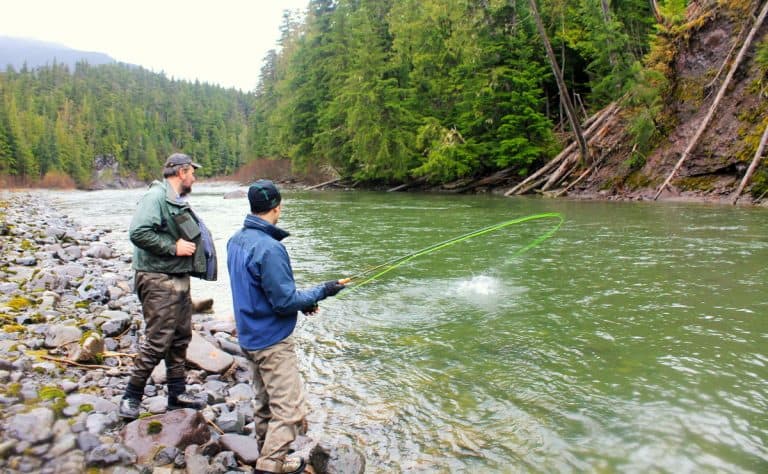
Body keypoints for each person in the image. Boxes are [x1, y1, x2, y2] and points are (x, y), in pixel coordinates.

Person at [227, 179, 346, 474]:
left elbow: (263, 292)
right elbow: (282, 302)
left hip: (249, 336)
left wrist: (302, 303)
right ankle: (268, 467)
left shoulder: (235, 241)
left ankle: (268, 456)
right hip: (271, 342)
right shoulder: (270, 249)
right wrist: (322, 291)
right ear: (277, 207)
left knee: (265, 404)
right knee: (290, 411)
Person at [119, 152, 216, 420]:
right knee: (158, 340)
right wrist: (173, 247)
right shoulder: (156, 197)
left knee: (180, 337)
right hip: (157, 279)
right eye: (192, 173)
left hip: (177, 277)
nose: (194, 178)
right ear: (181, 172)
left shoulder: (174, 199)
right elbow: (138, 232)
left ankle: (176, 394)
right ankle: (131, 396)